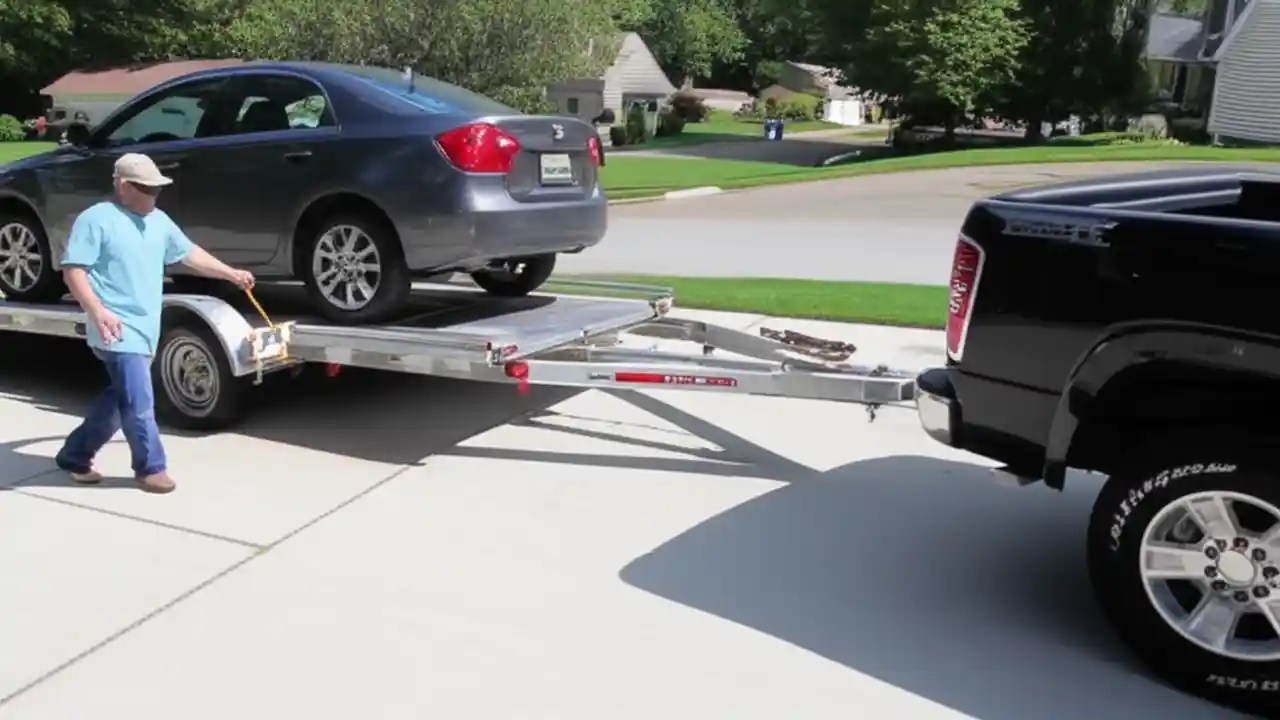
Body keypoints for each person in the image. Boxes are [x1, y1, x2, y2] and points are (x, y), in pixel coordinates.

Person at [54, 153, 255, 494]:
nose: (153, 196)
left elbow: (189, 253)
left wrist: (231, 273)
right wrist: (97, 311)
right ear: (122, 186)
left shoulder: (158, 221)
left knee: (121, 398)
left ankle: (75, 454)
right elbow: (73, 270)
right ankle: (151, 468)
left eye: (157, 189)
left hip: (147, 329)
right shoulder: (97, 220)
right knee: (139, 402)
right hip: (114, 328)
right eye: (145, 189)